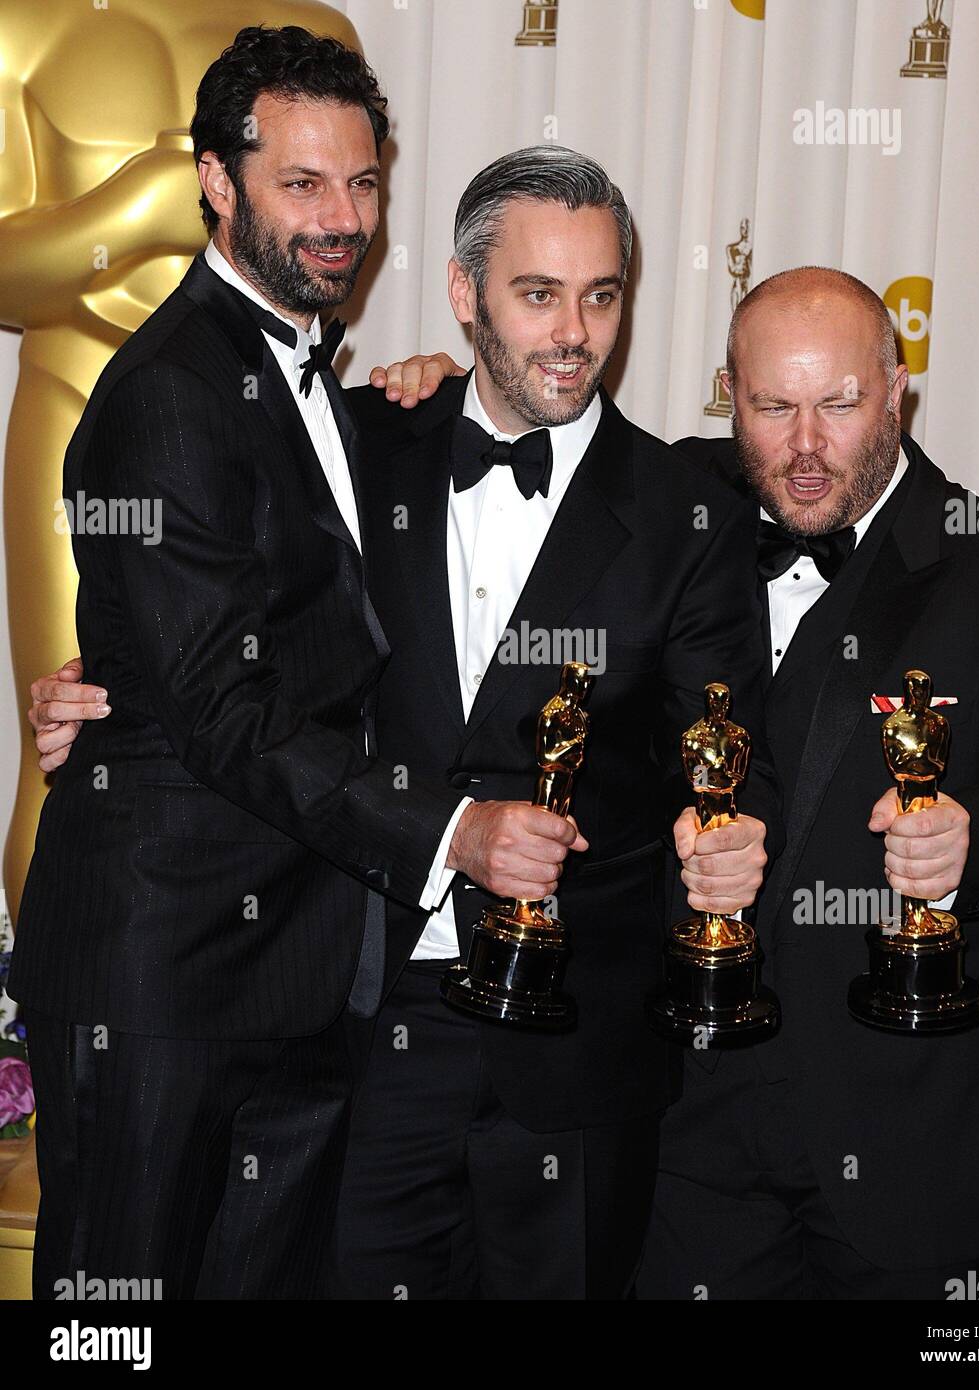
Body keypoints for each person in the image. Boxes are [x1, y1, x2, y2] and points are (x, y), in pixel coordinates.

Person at [28, 146, 779, 1299]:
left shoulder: (690, 514)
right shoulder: (354, 442)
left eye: (601, 295)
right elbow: (229, 648)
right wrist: (106, 690)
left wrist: (724, 834)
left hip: (576, 1047)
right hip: (352, 1015)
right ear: (464, 294)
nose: (574, 332)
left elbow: (722, 752)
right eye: (537, 294)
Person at [296, 263, 979, 1297]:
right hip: (684, 1125)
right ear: (730, 395)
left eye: (840, 405)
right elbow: (472, 489)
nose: (805, 447)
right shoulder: (661, 498)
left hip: (912, 1129)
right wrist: (442, 394)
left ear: (896, 390)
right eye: (771, 408)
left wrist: (966, 843)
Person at [8, 26, 581, 1300]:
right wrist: (452, 835)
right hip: (160, 969)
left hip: (305, 974)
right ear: (217, 181)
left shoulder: (326, 386)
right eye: (303, 185)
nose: (341, 219)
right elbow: (223, 705)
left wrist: (422, 399)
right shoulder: (168, 392)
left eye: (363, 184)